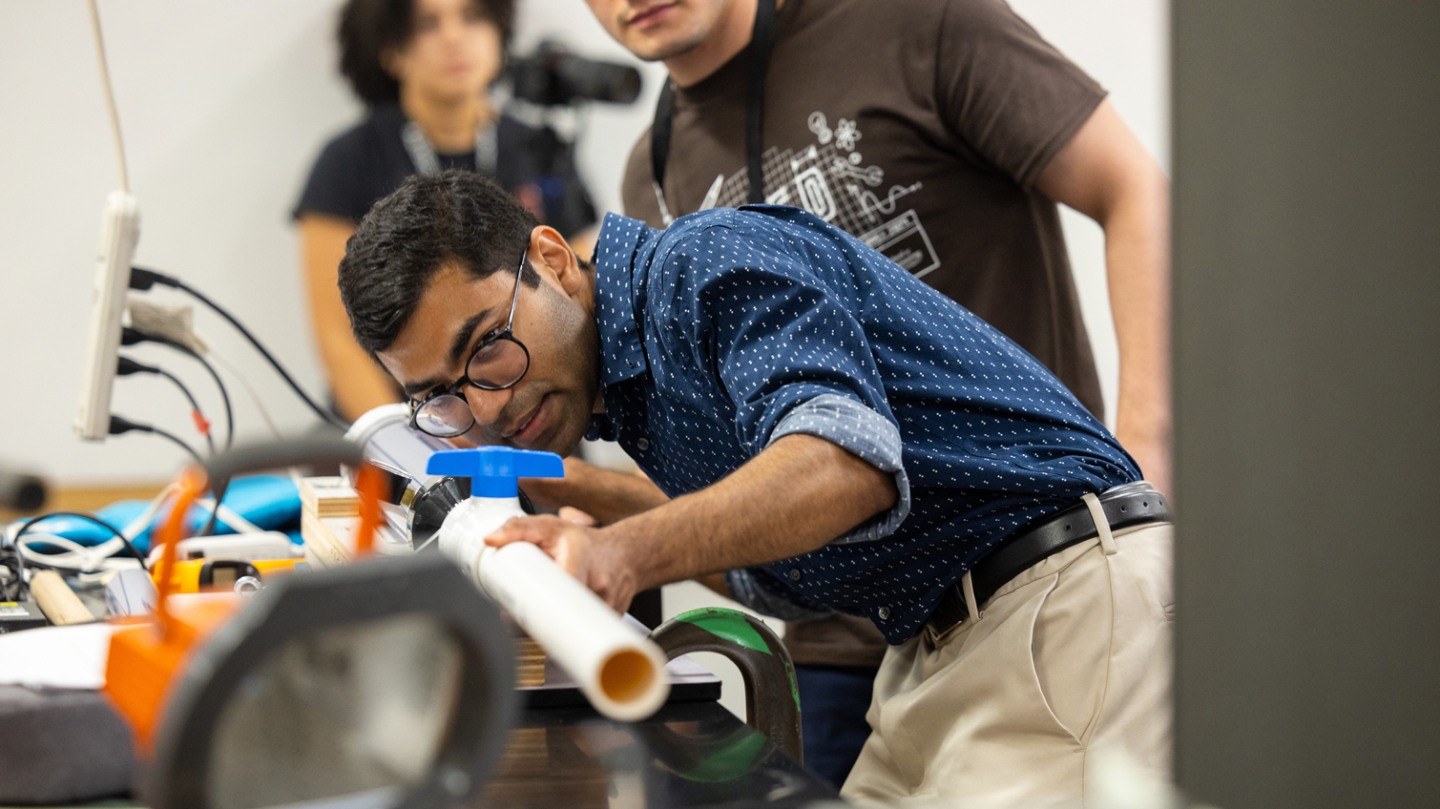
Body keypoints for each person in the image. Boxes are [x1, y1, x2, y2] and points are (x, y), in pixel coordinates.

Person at [337, 171, 1175, 806]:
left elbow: (845, 465)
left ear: (552, 261)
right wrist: (583, 493)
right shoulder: (635, 391)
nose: (484, 403)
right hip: (941, 644)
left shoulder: (704, 264)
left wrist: (624, 550)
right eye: (440, 395)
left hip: (1062, 600)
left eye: (487, 346)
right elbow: (778, 561)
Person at [579, 0, 1173, 785]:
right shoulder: (647, 171)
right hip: (852, 636)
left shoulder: (915, 22)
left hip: (1029, 576)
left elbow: (1132, 187)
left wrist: (1148, 447)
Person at [294, 0, 596, 422]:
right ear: (391, 50)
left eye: (473, 17)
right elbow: (337, 339)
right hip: (403, 431)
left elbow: (577, 297)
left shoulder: (542, 147)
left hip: (530, 418)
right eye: (426, 25)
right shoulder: (347, 160)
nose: (455, 38)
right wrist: (416, 452)